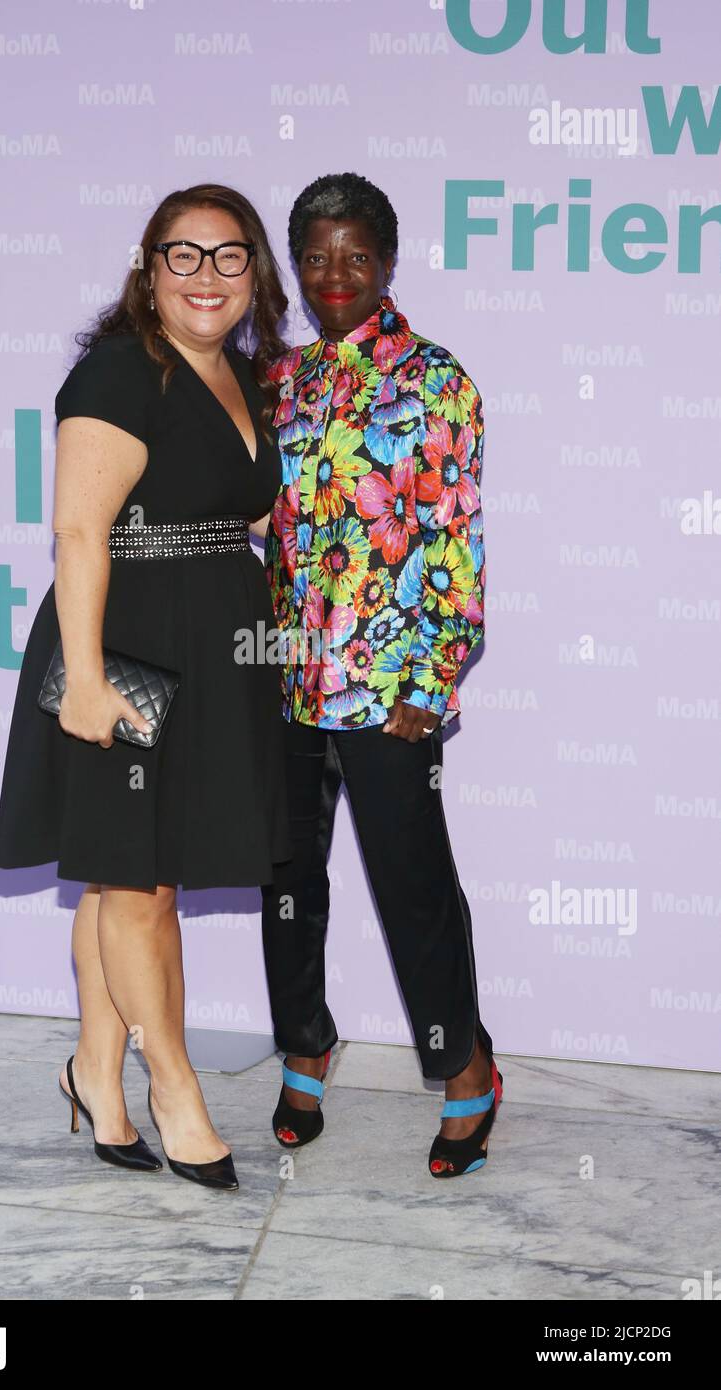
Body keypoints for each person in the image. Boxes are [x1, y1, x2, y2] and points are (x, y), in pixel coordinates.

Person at [0, 183, 292, 1191]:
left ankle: (93, 1071)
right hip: (123, 648)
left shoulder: (241, 378)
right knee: (141, 889)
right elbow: (79, 532)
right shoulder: (120, 372)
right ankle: (173, 1088)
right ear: (147, 271)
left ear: (256, 274)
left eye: (229, 255)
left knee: (122, 871)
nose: (206, 275)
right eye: (183, 255)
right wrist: (80, 679)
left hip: (211, 650)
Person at [261, 172, 503, 1178]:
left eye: (354, 255)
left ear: (388, 261)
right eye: (315, 255)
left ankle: (465, 1069)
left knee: (411, 883)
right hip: (279, 675)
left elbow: (452, 539)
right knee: (285, 879)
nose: (333, 276)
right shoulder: (281, 381)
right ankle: (306, 1046)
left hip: (386, 688)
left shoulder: (434, 379)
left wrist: (429, 678)